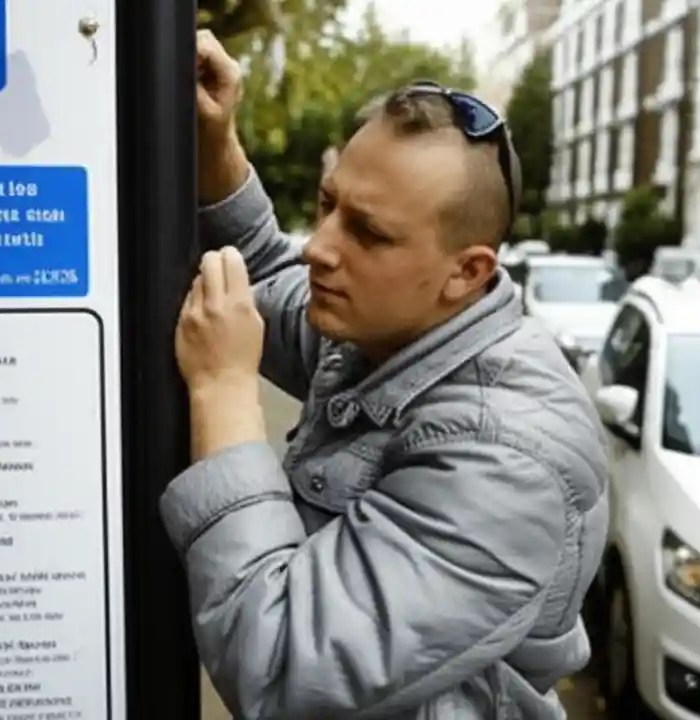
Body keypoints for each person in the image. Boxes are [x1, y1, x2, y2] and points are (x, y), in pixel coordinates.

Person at [160, 30, 610, 720]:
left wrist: (224, 390)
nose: (322, 247)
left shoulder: (508, 456)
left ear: (468, 272)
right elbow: (275, 275)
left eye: (368, 233)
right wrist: (215, 144)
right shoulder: (392, 327)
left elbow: (281, 666)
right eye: (327, 204)